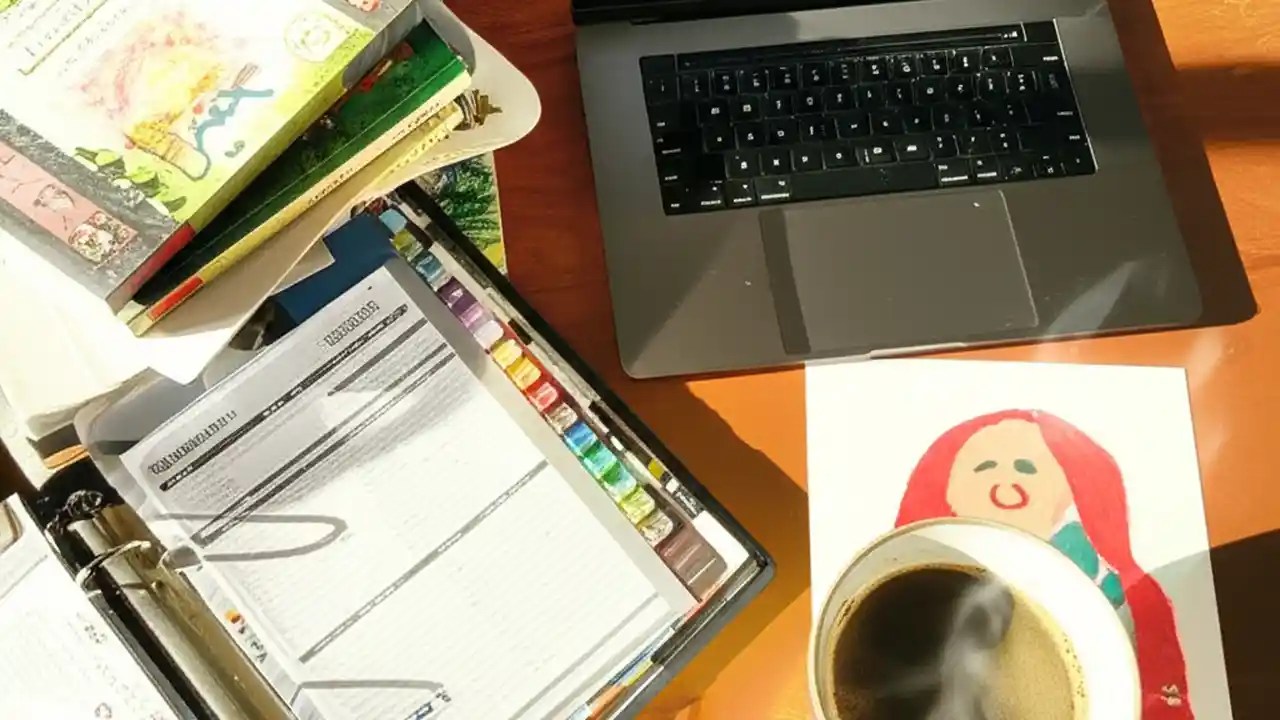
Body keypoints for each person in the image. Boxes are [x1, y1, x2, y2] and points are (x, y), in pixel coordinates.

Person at [896, 409, 1192, 717]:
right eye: (985, 466)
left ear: (1067, 491)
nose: (1005, 480)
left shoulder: (1096, 575)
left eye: (1026, 468)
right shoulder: (926, 570)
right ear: (949, 489)